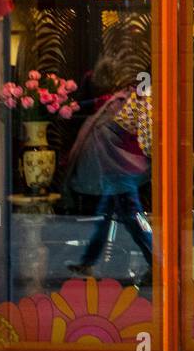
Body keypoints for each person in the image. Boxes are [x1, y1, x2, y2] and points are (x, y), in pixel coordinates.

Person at [65, 57, 154, 287]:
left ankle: (157, 262)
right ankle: (87, 261)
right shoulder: (124, 98)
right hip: (120, 170)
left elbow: (128, 131)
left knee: (133, 218)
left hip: (121, 170)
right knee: (106, 218)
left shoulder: (127, 100)